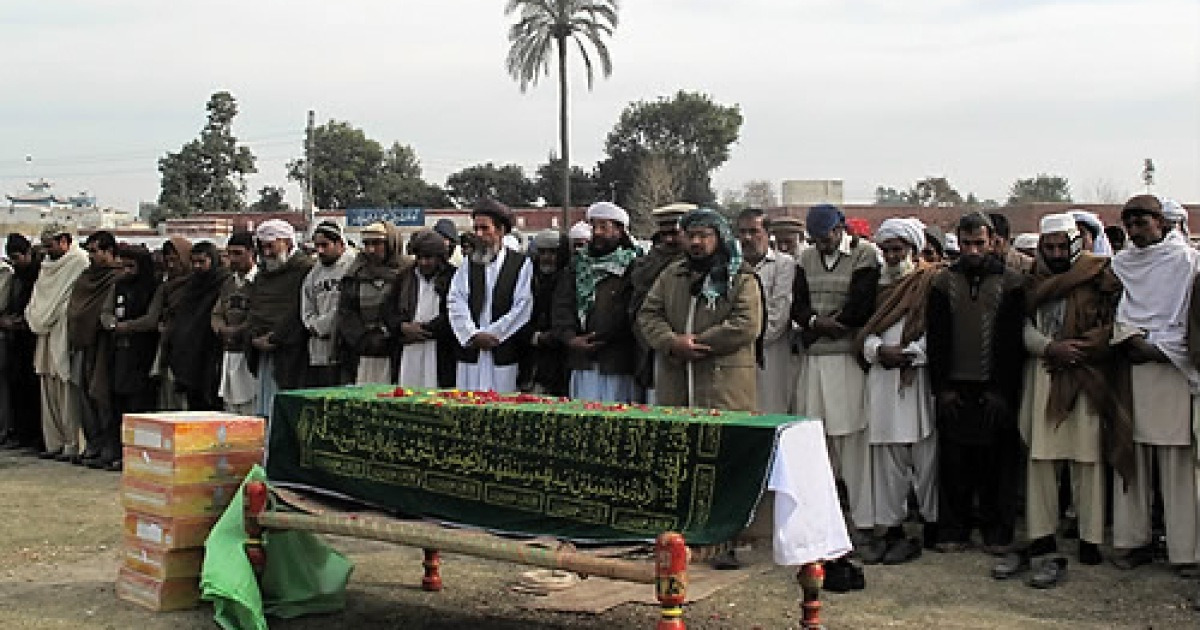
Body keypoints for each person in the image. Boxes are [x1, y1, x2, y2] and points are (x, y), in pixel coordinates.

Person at [997, 213, 1125, 588]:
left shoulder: (1099, 275)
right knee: (1041, 458)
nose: (1055, 254)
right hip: (1044, 371)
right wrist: (1049, 347)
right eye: (1048, 247)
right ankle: (1042, 535)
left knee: (1087, 459)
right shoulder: (1029, 282)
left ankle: (1090, 538)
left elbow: (1112, 322)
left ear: (1074, 244)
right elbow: (1021, 327)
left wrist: (1081, 349)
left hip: (1085, 373)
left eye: (1060, 246)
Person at [926, 211, 1027, 553]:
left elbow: (1012, 343)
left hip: (995, 387)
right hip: (955, 386)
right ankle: (954, 530)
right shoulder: (943, 282)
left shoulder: (1011, 282)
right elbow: (937, 338)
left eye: (979, 243)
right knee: (954, 463)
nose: (972, 250)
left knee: (997, 464)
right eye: (966, 243)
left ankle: (996, 532)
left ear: (993, 242)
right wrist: (942, 388)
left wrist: (1002, 391)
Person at [1109, 194, 1199, 571]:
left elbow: (1191, 319)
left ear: (1161, 223)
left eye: (1142, 223)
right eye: (1129, 224)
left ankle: (1185, 552)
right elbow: (1115, 312)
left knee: (1177, 467)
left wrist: (1161, 349)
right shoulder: (1121, 264)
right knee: (1132, 461)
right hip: (1133, 368)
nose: (1135, 231)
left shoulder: (1186, 262)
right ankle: (1132, 542)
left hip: (1173, 370)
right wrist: (1131, 340)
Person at [791, 203, 881, 552]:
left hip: (846, 360)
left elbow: (861, 306)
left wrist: (834, 324)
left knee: (853, 445)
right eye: (815, 238)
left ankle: (864, 523)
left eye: (826, 236)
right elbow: (799, 305)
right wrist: (817, 323)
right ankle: (820, 525)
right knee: (816, 445)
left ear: (840, 229)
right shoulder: (805, 258)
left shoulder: (864, 255)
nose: (821, 243)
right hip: (814, 361)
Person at [857, 218, 940, 565]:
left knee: (927, 460)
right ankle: (891, 528)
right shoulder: (874, 286)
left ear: (913, 250)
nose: (892, 256)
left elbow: (940, 331)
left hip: (918, 380)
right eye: (887, 250)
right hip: (883, 381)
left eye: (898, 250)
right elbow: (863, 332)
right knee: (888, 460)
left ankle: (933, 525)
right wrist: (878, 351)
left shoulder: (931, 282)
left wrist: (910, 354)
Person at [636, 207, 763, 411]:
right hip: (675, 387)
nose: (695, 242)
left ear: (719, 237)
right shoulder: (671, 275)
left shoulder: (740, 277)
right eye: (690, 236)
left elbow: (746, 324)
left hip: (724, 389)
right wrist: (671, 342)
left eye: (703, 235)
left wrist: (696, 344)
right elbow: (649, 314)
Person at [553, 202, 640, 403]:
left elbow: (632, 310)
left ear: (619, 230)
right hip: (581, 362)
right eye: (594, 227)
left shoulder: (634, 266)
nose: (598, 232)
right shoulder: (577, 266)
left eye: (604, 227)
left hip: (617, 363)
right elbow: (561, 306)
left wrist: (601, 337)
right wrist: (570, 338)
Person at [447, 199, 533, 393]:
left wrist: (494, 334)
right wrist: (472, 334)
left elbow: (523, 306)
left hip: (502, 349)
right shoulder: (468, 264)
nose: (479, 234)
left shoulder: (520, 264)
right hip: (471, 350)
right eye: (476, 228)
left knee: (502, 402)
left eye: (485, 228)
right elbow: (456, 300)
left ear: (501, 231)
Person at [25, 224, 89, 461]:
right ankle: (54, 442)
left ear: (64, 241)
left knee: (67, 392)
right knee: (48, 388)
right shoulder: (46, 266)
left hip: (63, 333)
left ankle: (72, 444)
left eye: (50, 246)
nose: (47, 251)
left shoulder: (79, 262)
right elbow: (39, 297)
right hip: (44, 333)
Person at [246, 219, 313, 419]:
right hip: (263, 351)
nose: (266, 253)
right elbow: (256, 306)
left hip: (293, 352)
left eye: (271, 246)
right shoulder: (262, 275)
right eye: (263, 247)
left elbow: (300, 310)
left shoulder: (305, 269)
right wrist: (255, 336)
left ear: (288, 243)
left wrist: (276, 337)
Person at [68, 231, 124, 468]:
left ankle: (109, 448)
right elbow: (76, 308)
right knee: (84, 396)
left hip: (105, 346)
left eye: (94, 251)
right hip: (83, 344)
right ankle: (93, 445)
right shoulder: (85, 277)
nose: (90, 256)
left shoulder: (116, 278)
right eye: (89, 251)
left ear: (109, 252)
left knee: (101, 396)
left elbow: (103, 312)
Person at [117, 237, 192, 411]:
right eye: (168, 260)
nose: (171, 266)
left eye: (175, 260)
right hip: (165, 351)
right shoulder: (163, 287)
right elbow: (153, 316)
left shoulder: (196, 286)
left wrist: (126, 326)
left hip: (187, 353)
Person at [628, 202, 693, 403]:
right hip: (656, 352)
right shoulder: (646, 265)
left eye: (674, 233)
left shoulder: (705, 266)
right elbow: (638, 310)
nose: (669, 240)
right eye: (664, 234)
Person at [737, 208, 795, 414]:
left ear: (768, 234)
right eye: (742, 232)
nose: (747, 238)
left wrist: (744, 338)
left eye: (753, 231)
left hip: (772, 356)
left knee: (771, 411)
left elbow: (779, 315)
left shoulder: (784, 264)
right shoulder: (731, 267)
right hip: (735, 356)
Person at [337, 221, 407, 385]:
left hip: (397, 350)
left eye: (376, 243)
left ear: (390, 244)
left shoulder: (406, 272)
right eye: (367, 244)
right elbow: (346, 312)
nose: (371, 250)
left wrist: (391, 332)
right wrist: (364, 339)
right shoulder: (354, 274)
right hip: (362, 351)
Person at [387, 229, 456, 389]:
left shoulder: (453, 277)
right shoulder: (404, 277)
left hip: (439, 349)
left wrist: (424, 330)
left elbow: (454, 313)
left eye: (428, 258)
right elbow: (388, 310)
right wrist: (402, 327)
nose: (423, 262)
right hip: (408, 348)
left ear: (440, 258)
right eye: (419, 257)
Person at [109, 245, 161, 447]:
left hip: (143, 352)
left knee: (139, 403)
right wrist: (112, 324)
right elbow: (106, 311)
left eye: (131, 266)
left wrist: (128, 326)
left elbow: (151, 319)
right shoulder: (119, 285)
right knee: (119, 402)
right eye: (124, 266)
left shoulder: (153, 287)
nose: (127, 271)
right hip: (121, 351)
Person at [167, 242, 229, 411]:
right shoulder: (191, 285)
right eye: (194, 262)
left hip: (211, 351)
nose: (197, 266)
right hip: (190, 355)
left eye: (202, 262)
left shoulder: (223, 282)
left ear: (213, 260)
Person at [0, 234, 42, 453]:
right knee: (18, 389)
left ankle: (35, 438)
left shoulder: (37, 274)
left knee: (32, 391)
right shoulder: (17, 276)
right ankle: (20, 434)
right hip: (16, 341)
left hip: (32, 339)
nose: (15, 263)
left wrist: (24, 322)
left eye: (18, 257)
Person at [302, 221, 356, 387]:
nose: (320, 251)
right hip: (318, 349)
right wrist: (312, 325)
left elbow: (345, 307)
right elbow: (306, 306)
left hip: (344, 348)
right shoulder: (314, 273)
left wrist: (324, 326)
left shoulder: (353, 267)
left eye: (325, 245)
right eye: (317, 246)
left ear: (340, 244)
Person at [212, 231, 258, 415]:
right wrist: (220, 328)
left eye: (238, 253)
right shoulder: (228, 283)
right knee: (231, 410)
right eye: (229, 253)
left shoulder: (260, 281)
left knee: (252, 409)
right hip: (229, 353)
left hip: (251, 355)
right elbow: (217, 313)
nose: (233, 259)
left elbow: (259, 314)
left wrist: (239, 330)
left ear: (251, 253)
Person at [519, 230, 570, 396]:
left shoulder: (569, 279)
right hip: (529, 357)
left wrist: (555, 336)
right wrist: (534, 336)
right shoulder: (527, 278)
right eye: (542, 252)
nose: (547, 257)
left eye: (552, 252)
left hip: (560, 361)